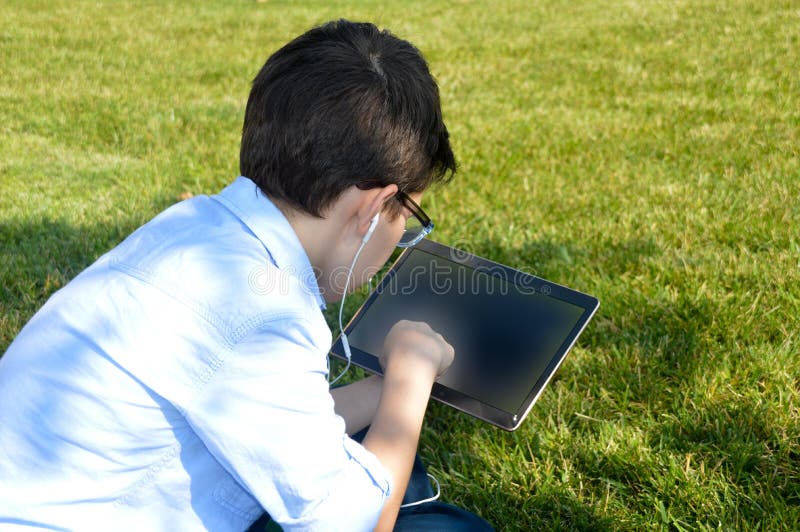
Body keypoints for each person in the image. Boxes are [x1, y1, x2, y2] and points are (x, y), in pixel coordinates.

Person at [0, 20, 493, 531]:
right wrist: (410, 384)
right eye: (407, 216)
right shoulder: (264, 317)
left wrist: (384, 390)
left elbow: (279, 424)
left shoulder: (194, 228)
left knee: (378, 460)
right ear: (372, 210)